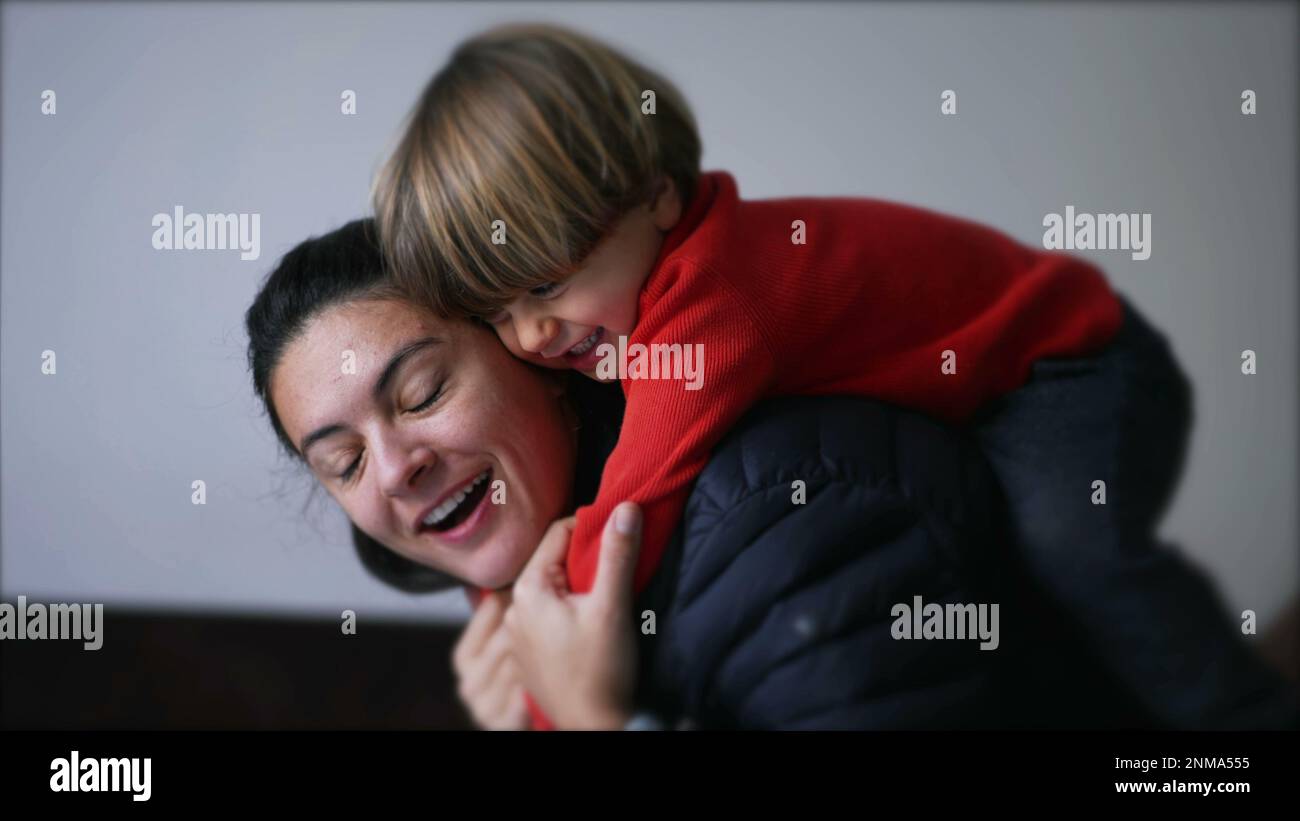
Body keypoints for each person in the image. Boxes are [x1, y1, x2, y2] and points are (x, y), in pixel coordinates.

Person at [372, 23, 1297, 730]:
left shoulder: (716, 301)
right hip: (986, 381)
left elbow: (636, 502)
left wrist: (550, 696)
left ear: (653, 193)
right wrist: (494, 593)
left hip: (1070, 361)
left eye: (546, 282)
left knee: (1073, 548)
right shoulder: (646, 298)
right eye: (496, 312)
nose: (531, 331)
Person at [246, 219, 1295, 730]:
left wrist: (595, 723)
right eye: (338, 461)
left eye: (422, 391)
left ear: (540, 358)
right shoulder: (530, 585)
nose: (395, 467)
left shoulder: (780, 516)